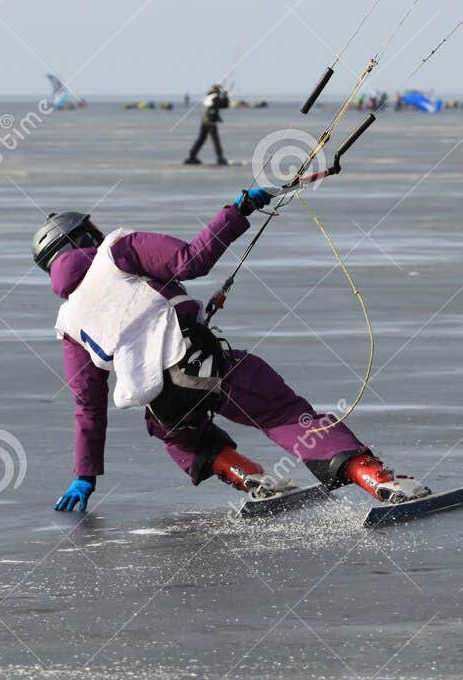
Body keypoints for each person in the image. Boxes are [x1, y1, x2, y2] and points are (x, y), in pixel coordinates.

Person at [31, 192, 429, 514]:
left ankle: (249, 476)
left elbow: (88, 404)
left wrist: (85, 474)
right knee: (283, 414)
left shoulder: (69, 322)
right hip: (205, 367)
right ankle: (375, 477)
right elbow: (190, 261)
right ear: (82, 237)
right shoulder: (118, 250)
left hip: (163, 402)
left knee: (179, 437)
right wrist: (237, 211)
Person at [183, 84, 230, 165]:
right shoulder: (213, 97)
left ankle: (192, 156)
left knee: (201, 139)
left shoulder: (209, 97)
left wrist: (224, 97)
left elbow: (223, 105)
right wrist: (224, 96)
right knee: (215, 140)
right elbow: (219, 103)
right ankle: (220, 157)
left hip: (205, 121)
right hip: (210, 122)